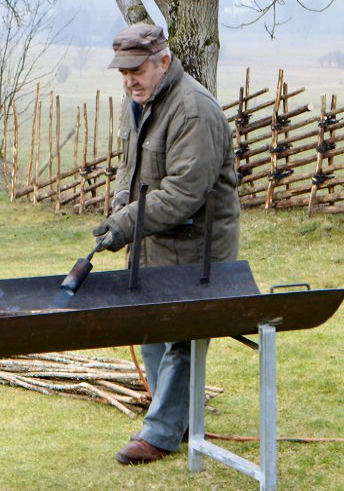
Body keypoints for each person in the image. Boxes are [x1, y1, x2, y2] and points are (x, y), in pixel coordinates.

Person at [92, 24, 240, 465]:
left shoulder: (193, 111)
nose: (128, 80)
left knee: (183, 340)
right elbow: (130, 163)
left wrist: (124, 224)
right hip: (154, 239)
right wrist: (122, 198)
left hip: (198, 246)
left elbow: (182, 194)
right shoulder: (140, 101)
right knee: (153, 330)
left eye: (136, 70)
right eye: (123, 73)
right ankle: (176, 420)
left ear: (162, 60)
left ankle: (160, 433)